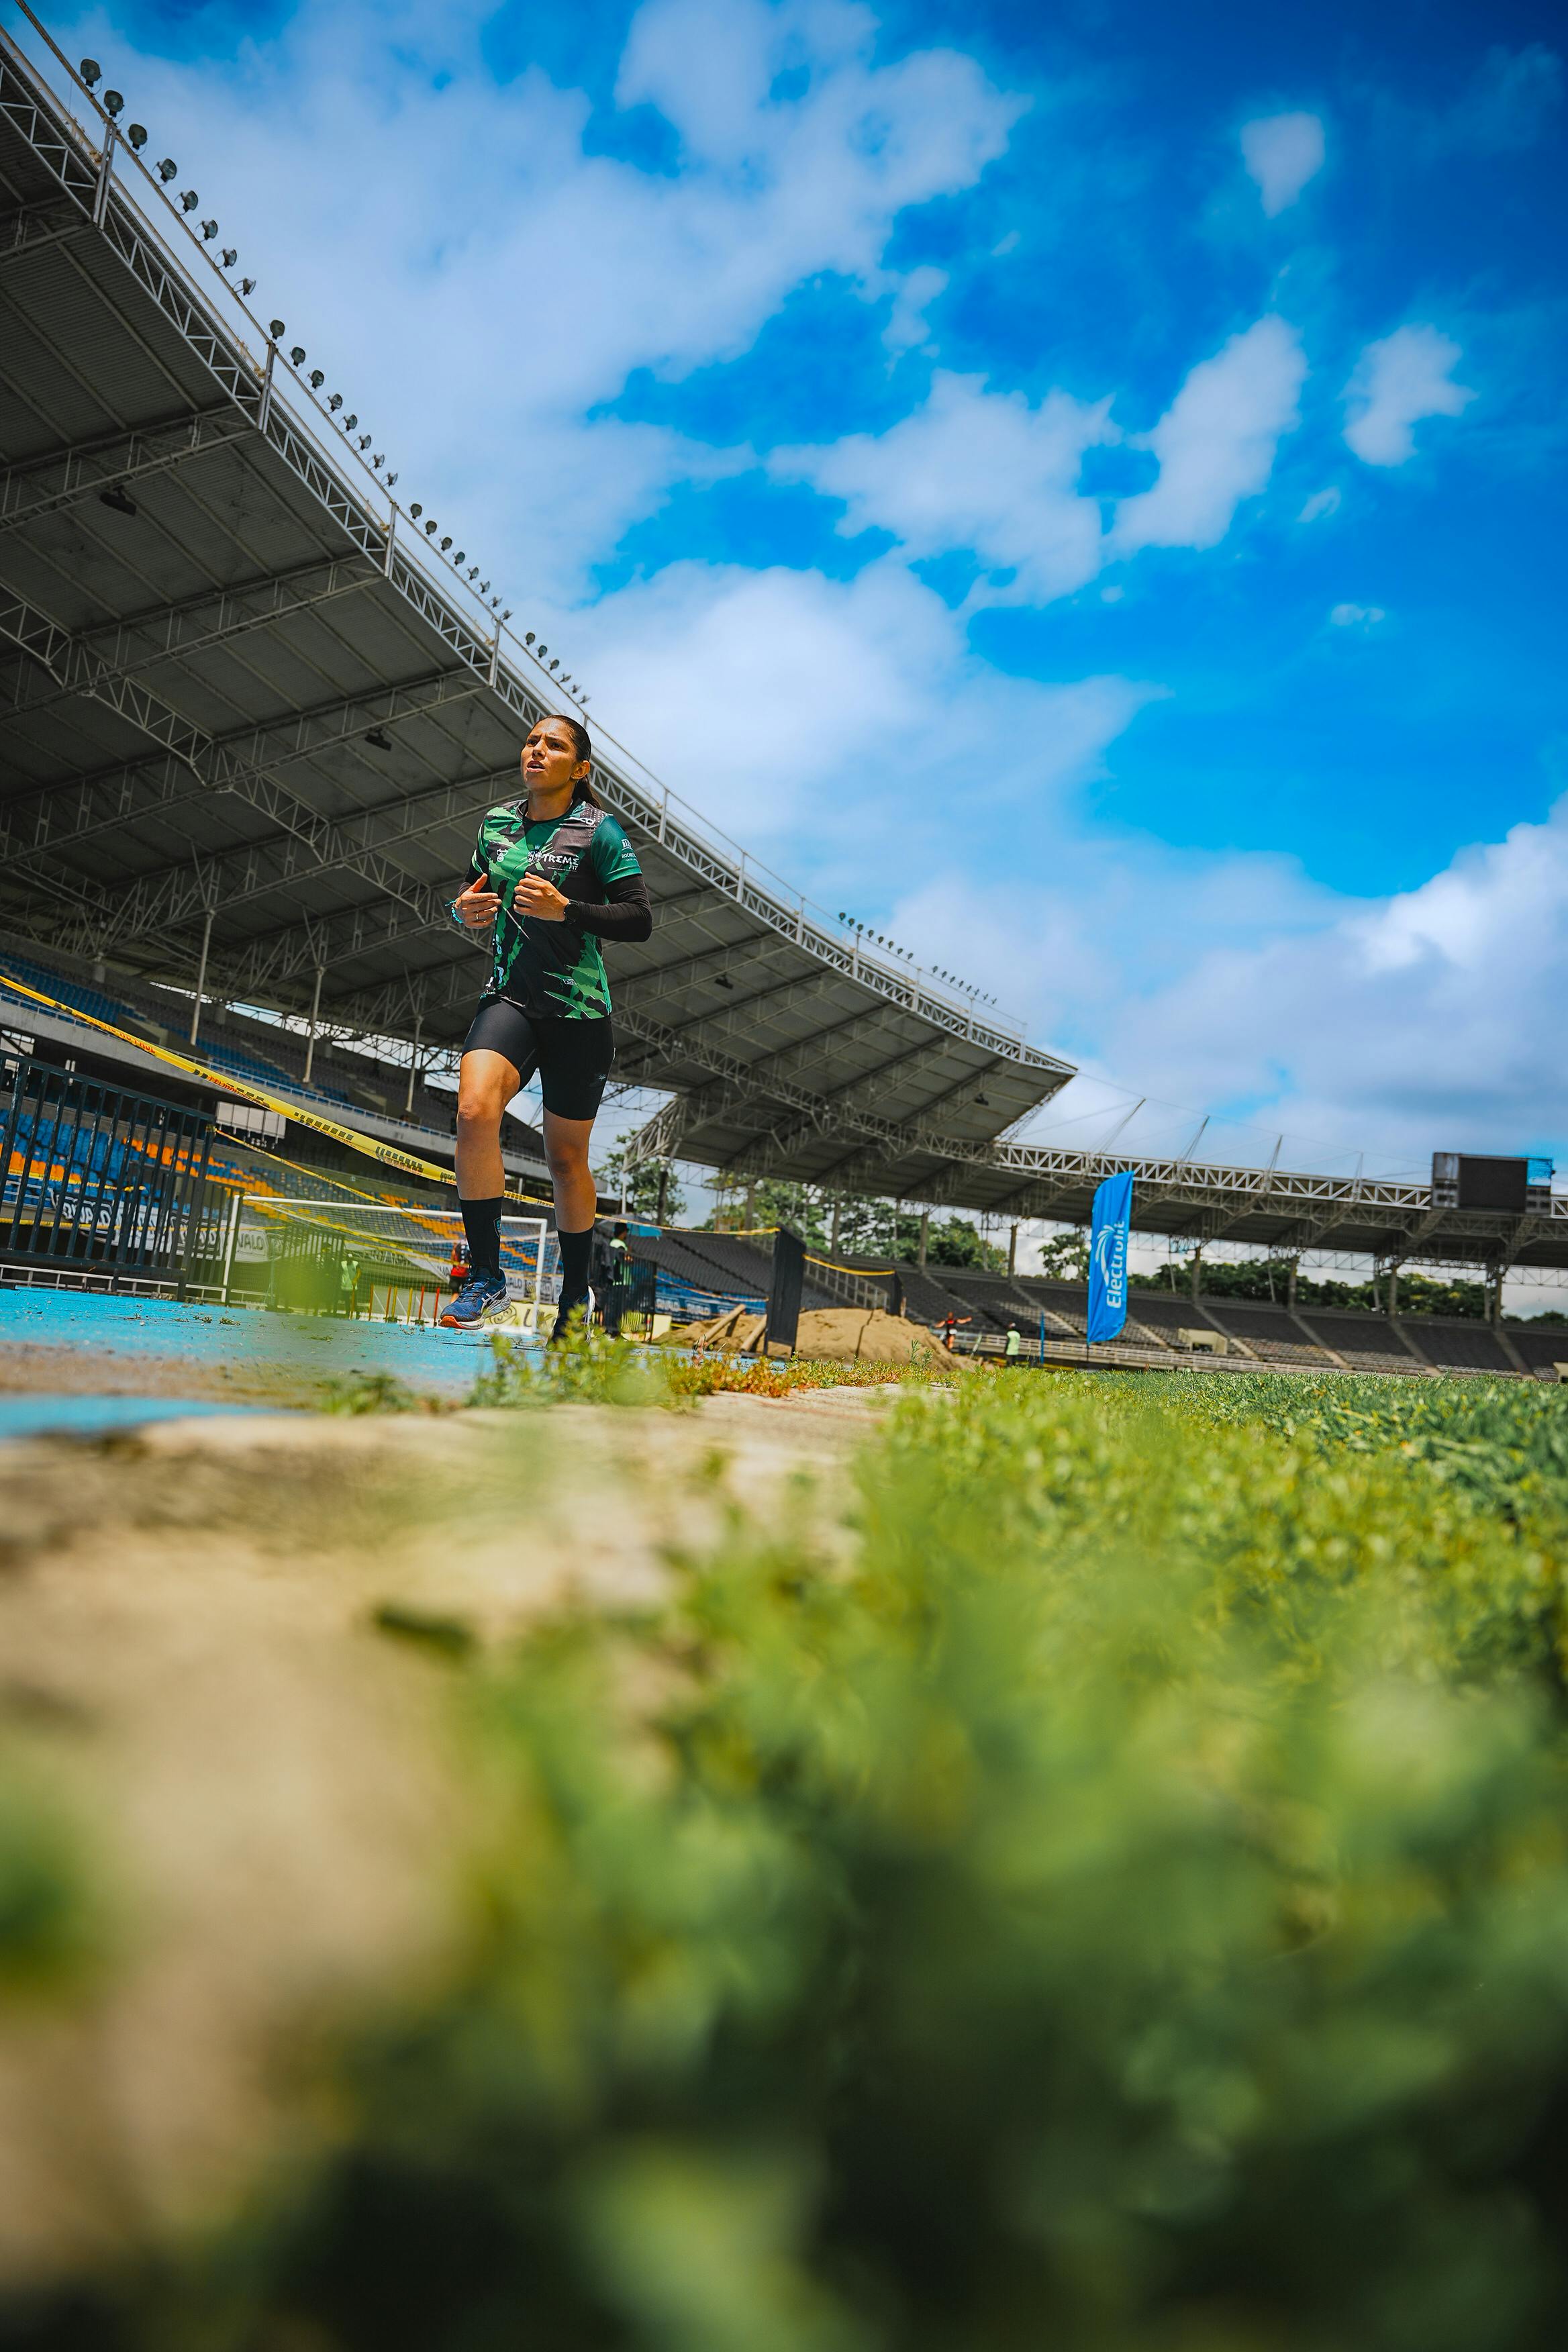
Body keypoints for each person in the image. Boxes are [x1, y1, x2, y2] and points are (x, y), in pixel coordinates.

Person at [440, 714, 652, 1335]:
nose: (537, 750)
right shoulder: (496, 826)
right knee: (476, 1111)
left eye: (554, 745)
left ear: (578, 768)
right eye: (532, 740)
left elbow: (639, 918)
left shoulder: (600, 833)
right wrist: (465, 909)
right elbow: (473, 888)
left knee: (565, 1160)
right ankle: (486, 1277)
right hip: (508, 998)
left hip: (580, 1015)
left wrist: (569, 910)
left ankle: (572, 1304)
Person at [597, 1218, 634, 1336]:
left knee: (612, 1306)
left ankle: (611, 1329)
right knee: (619, 1307)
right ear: (623, 1232)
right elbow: (625, 1260)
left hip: (615, 1281)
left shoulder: (613, 1243)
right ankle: (614, 1330)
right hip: (621, 1281)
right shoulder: (620, 1245)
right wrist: (630, 1254)